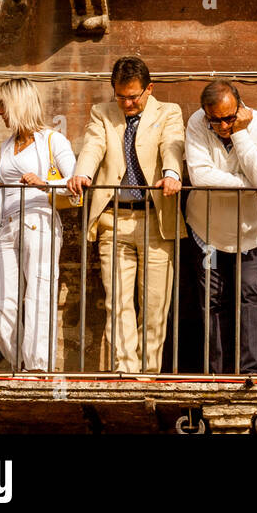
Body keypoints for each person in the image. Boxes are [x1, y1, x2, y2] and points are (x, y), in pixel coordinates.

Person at [67, 57, 184, 374]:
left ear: (150, 88)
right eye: (121, 96)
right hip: (113, 220)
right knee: (117, 302)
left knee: (154, 305)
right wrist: (82, 173)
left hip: (155, 220)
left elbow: (172, 147)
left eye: (134, 96)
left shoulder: (168, 112)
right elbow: (93, 144)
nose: (128, 103)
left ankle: (149, 373)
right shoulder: (102, 113)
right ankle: (126, 373)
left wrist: (172, 174)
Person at [184, 80, 257, 375]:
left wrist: (240, 133)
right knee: (213, 301)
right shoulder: (197, 123)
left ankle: (253, 374)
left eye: (230, 117)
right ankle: (218, 373)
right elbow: (200, 177)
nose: (224, 125)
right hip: (207, 235)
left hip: (252, 234)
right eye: (217, 120)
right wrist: (251, 186)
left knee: (252, 298)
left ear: (241, 106)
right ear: (205, 114)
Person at [0, 79, 75, 372]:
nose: (0, 111)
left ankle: (37, 368)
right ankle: (20, 363)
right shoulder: (9, 144)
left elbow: (75, 184)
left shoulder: (53, 140)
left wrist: (44, 182)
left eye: (3, 104)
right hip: (7, 226)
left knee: (38, 294)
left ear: (17, 104)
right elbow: (5, 186)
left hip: (39, 222)